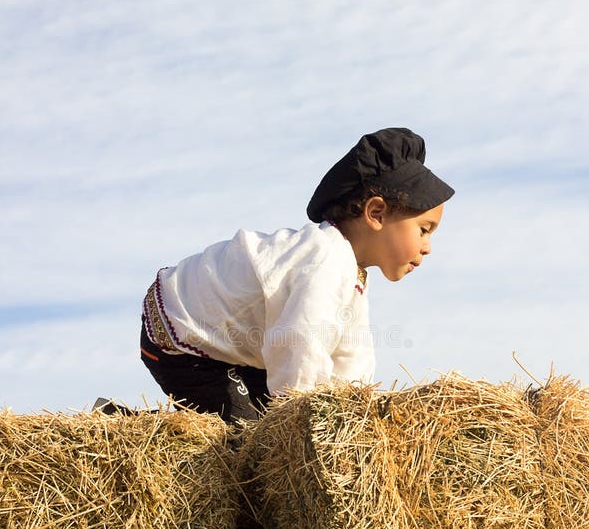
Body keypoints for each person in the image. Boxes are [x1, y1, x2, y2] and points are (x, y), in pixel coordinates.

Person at [140, 127, 454, 423]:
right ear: (376, 213)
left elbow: (351, 355)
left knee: (265, 421)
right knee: (250, 445)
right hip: (182, 335)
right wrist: (302, 426)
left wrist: (356, 420)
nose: (427, 247)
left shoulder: (351, 274)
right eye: (424, 230)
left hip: (234, 349)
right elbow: (301, 340)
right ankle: (131, 427)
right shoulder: (324, 258)